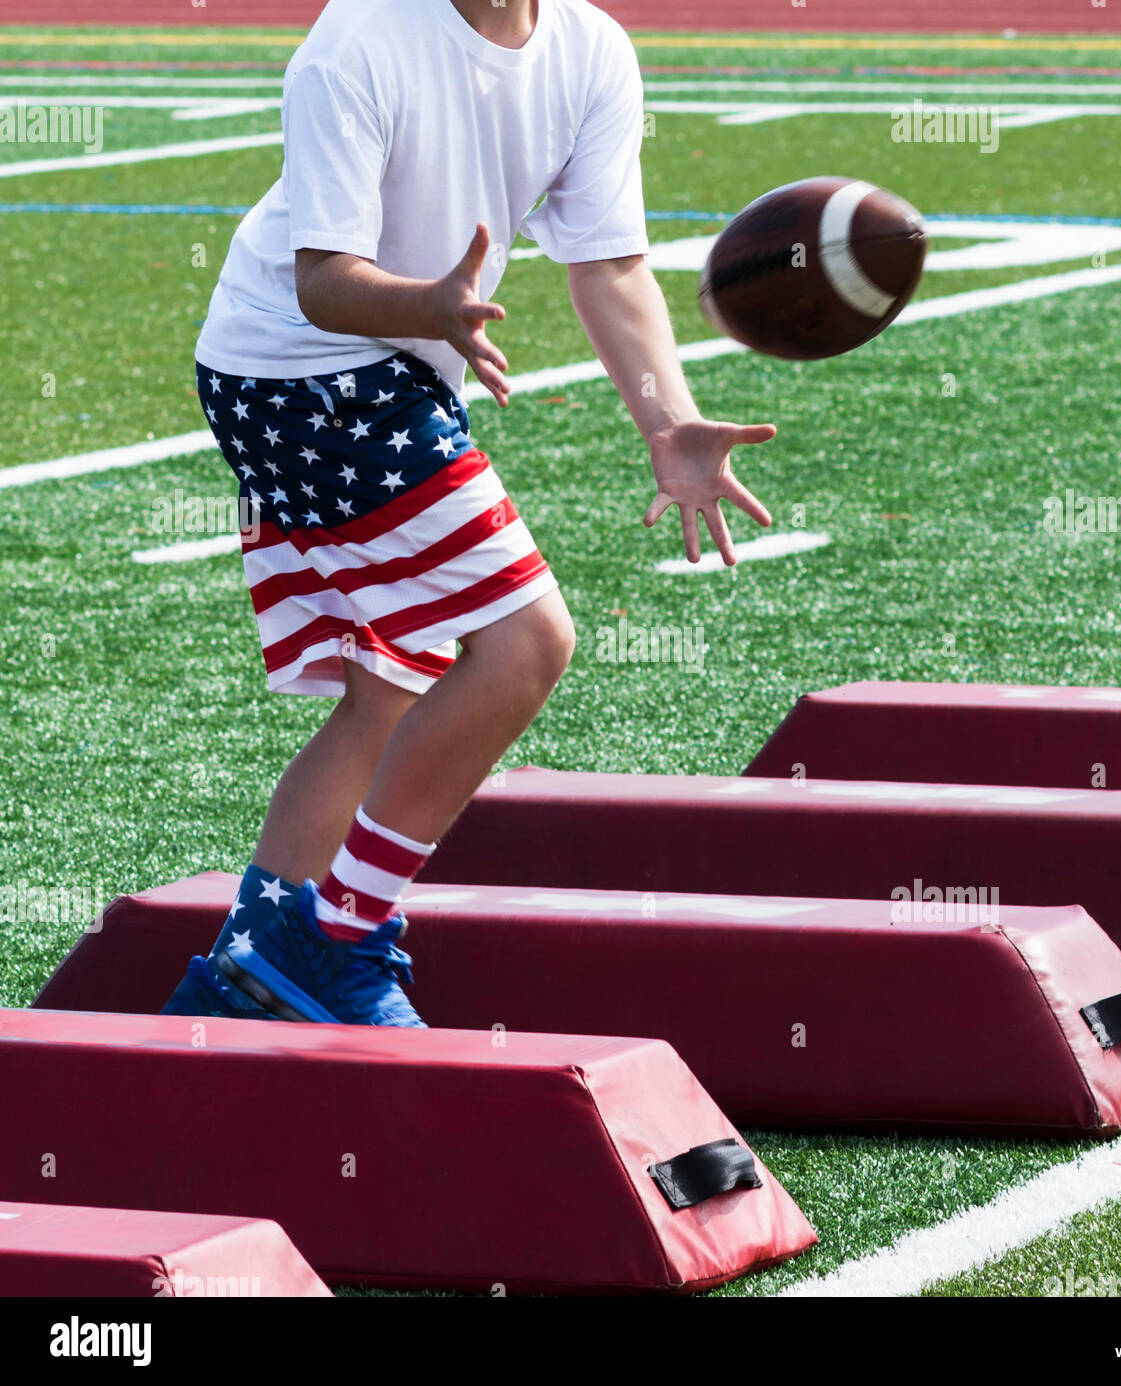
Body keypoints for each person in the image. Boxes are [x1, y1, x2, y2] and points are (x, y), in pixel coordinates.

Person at [163, 0, 776, 1026]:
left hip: (395, 364)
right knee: (526, 643)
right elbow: (323, 281)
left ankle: (242, 969)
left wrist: (667, 426)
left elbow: (609, 263)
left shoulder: (590, 49)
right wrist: (433, 309)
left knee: (387, 685)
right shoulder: (357, 38)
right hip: (297, 370)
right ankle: (335, 938)